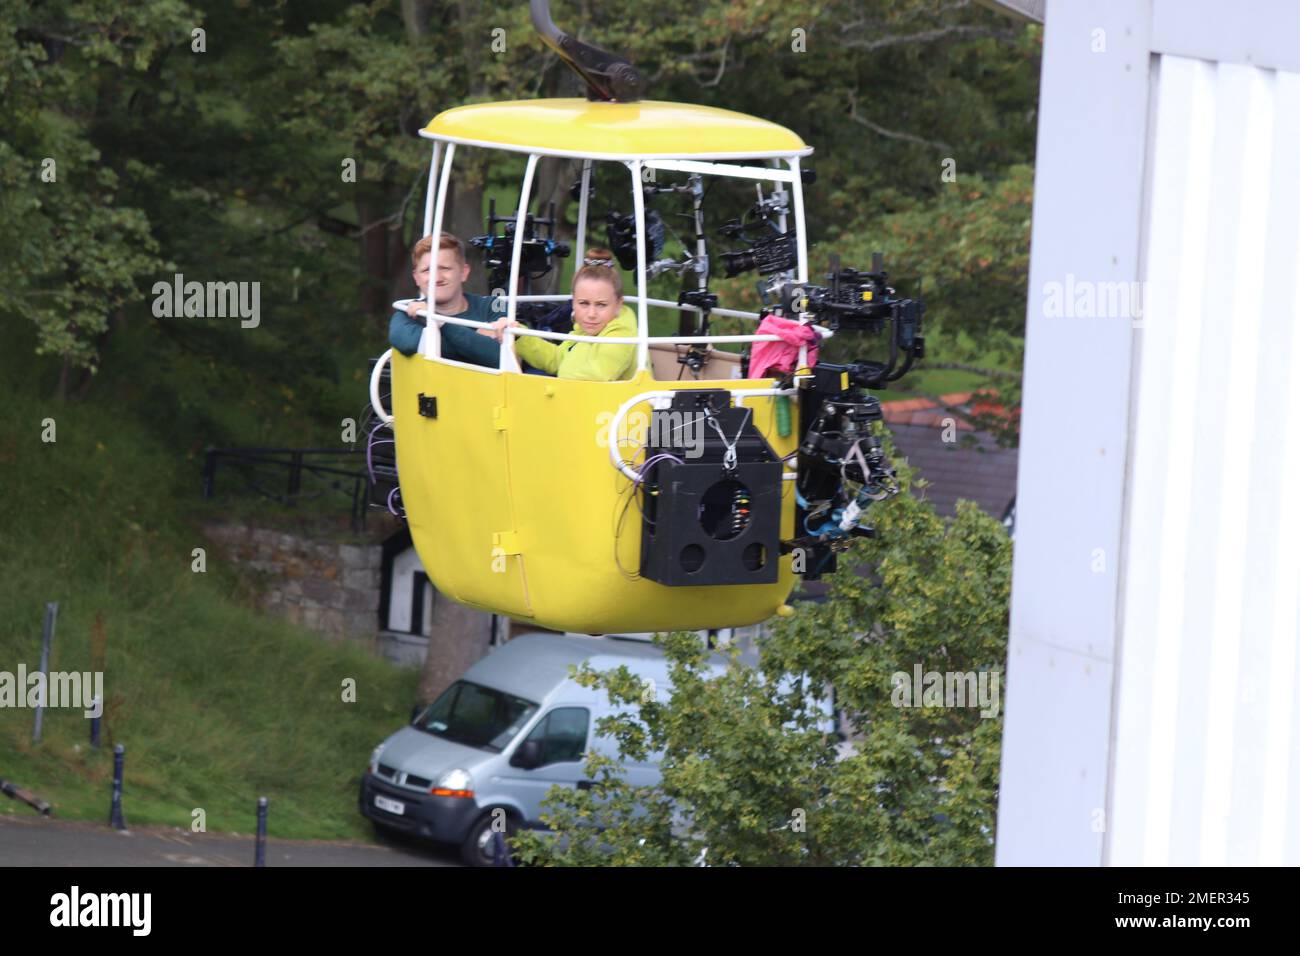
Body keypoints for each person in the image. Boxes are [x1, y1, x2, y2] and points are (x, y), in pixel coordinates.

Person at [485, 248, 637, 381]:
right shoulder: (586, 330)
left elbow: (596, 374)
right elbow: (557, 359)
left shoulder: (622, 333)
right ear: (573, 302)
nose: (591, 314)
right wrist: (518, 333)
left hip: (631, 411)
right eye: (583, 303)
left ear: (618, 305)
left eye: (601, 305)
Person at [389, 233, 501, 367]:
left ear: (463, 272)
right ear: (416, 278)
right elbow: (406, 344)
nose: (437, 278)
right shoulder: (409, 312)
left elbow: (498, 356)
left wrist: (440, 322)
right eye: (426, 270)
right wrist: (478, 343)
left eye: (445, 268)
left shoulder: (492, 306)